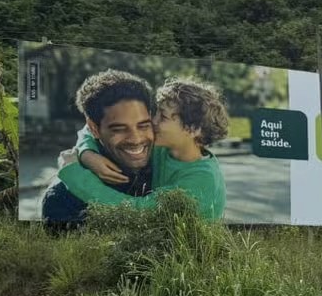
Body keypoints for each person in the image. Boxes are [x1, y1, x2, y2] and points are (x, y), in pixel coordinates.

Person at [58, 77, 230, 219]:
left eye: (163, 117)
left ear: (193, 129)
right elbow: (91, 128)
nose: (153, 121)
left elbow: (139, 211)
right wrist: (88, 153)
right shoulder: (166, 148)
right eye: (156, 112)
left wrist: (75, 176)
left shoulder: (202, 180)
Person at [40, 71, 155, 225]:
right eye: (119, 129)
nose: (136, 139)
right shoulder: (63, 198)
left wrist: (85, 152)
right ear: (94, 128)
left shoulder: (169, 162)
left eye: (143, 125)